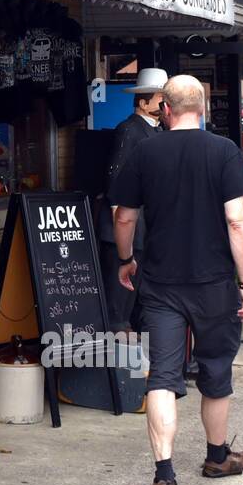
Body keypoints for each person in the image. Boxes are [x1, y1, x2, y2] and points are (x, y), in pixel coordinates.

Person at [111, 75, 243, 485]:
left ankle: (164, 474)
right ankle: (216, 457)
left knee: (162, 375)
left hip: (160, 285)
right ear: (204, 109)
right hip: (214, 285)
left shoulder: (145, 150)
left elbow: (124, 217)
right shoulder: (224, 151)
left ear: (165, 110)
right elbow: (238, 221)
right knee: (216, 370)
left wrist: (125, 261)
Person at [96, 66, 168, 333]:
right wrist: (120, 227)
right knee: (119, 300)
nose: (165, 104)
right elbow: (116, 180)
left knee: (138, 297)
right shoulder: (129, 130)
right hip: (125, 228)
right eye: (161, 98)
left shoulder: (158, 131)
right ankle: (118, 366)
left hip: (143, 228)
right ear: (143, 101)